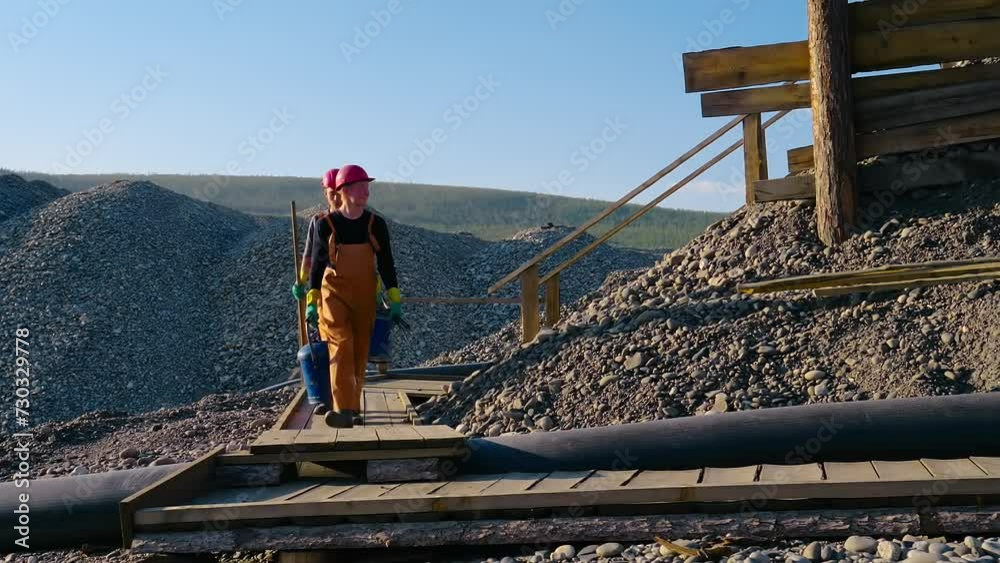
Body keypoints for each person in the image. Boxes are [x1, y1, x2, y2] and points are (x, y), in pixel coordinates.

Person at [304, 164, 403, 428]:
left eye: (367, 187)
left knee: (359, 350)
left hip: (364, 294)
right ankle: (342, 409)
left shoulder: (375, 224)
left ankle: (353, 409)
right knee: (341, 344)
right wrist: (312, 301)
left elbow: (386, 263)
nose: (366, 192)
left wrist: (394, 299)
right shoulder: (325, 225)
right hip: (333, 294)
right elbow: (317, 265)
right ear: (344, 190)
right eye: (361, 187)